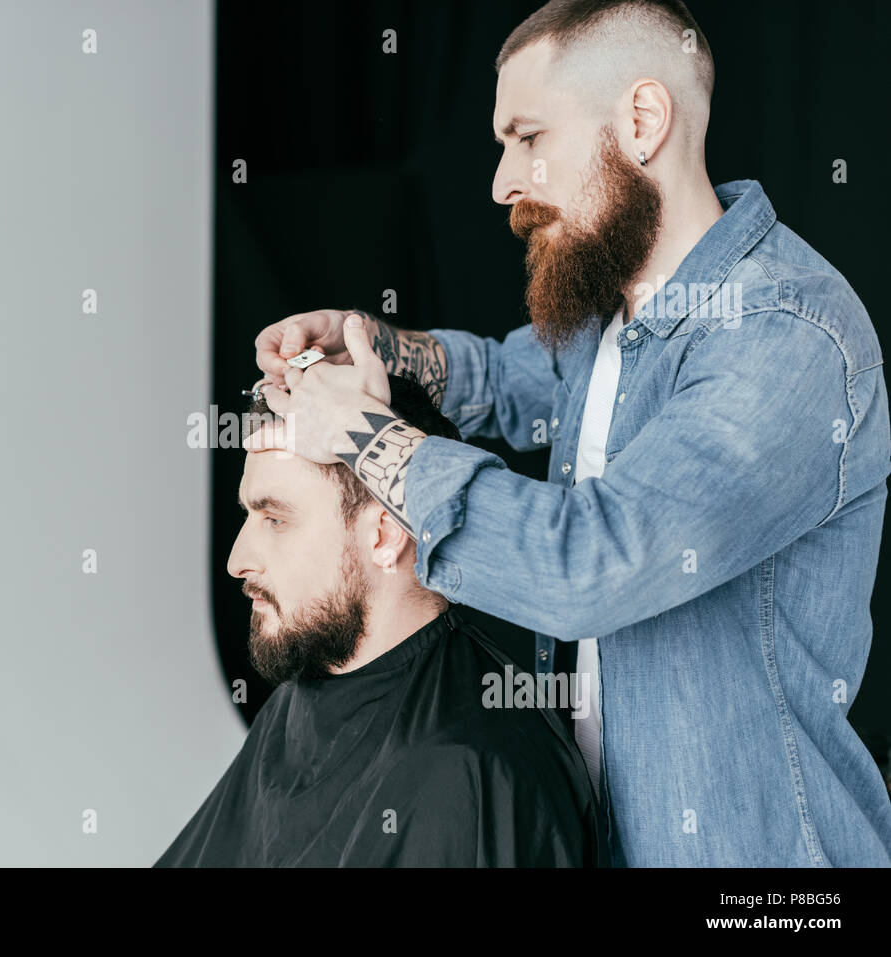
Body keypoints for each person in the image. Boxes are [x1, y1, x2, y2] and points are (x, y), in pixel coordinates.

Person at [248, 0, 891, 866]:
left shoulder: (786, 336)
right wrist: (376, 344)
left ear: (642, 120)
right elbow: (511, 382)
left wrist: (366, 436)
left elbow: (593, 562)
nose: (502, 182)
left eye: (528, 137)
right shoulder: (613, 319)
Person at [156, 373, 600, 866]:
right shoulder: (292, 715)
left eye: (275, 520)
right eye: (248, 518)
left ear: (385, 536)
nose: (236, 560)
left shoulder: (475, 767)